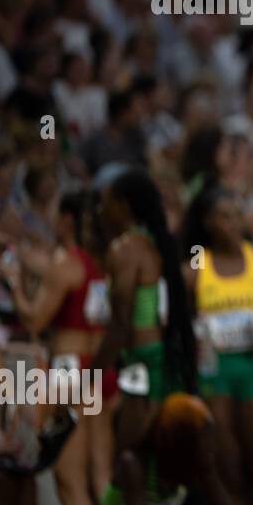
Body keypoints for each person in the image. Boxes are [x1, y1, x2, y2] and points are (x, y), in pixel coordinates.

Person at [1, 190, 115, 505]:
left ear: (69, 219)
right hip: (97, 374)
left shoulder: (71, 265)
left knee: (70, 485)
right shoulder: (105, 263)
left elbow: (34, 318)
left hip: (68, 375)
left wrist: (13, 281)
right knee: (100, 478)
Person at [181, 184, 253, 505]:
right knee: (226, 458)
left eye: (237, 215)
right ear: (207, 222)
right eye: (224, 217)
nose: (233, 223)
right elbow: (176, 322)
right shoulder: (196, 266)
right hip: (215, 368)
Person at [76, 392, 253, 505]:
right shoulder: (133, 464)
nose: (210, 448)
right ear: (182, 440)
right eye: (204, 439)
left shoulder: (199, 466)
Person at [93, 168, 197, 453]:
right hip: (162, 357)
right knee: (154, 460)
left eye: (106, 203)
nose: (101, 211)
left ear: (123, 206)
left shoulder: (124, 249)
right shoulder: (156, 244)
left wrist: (92, 377)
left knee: (129, 457)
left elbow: (120, 324)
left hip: (141, 362)